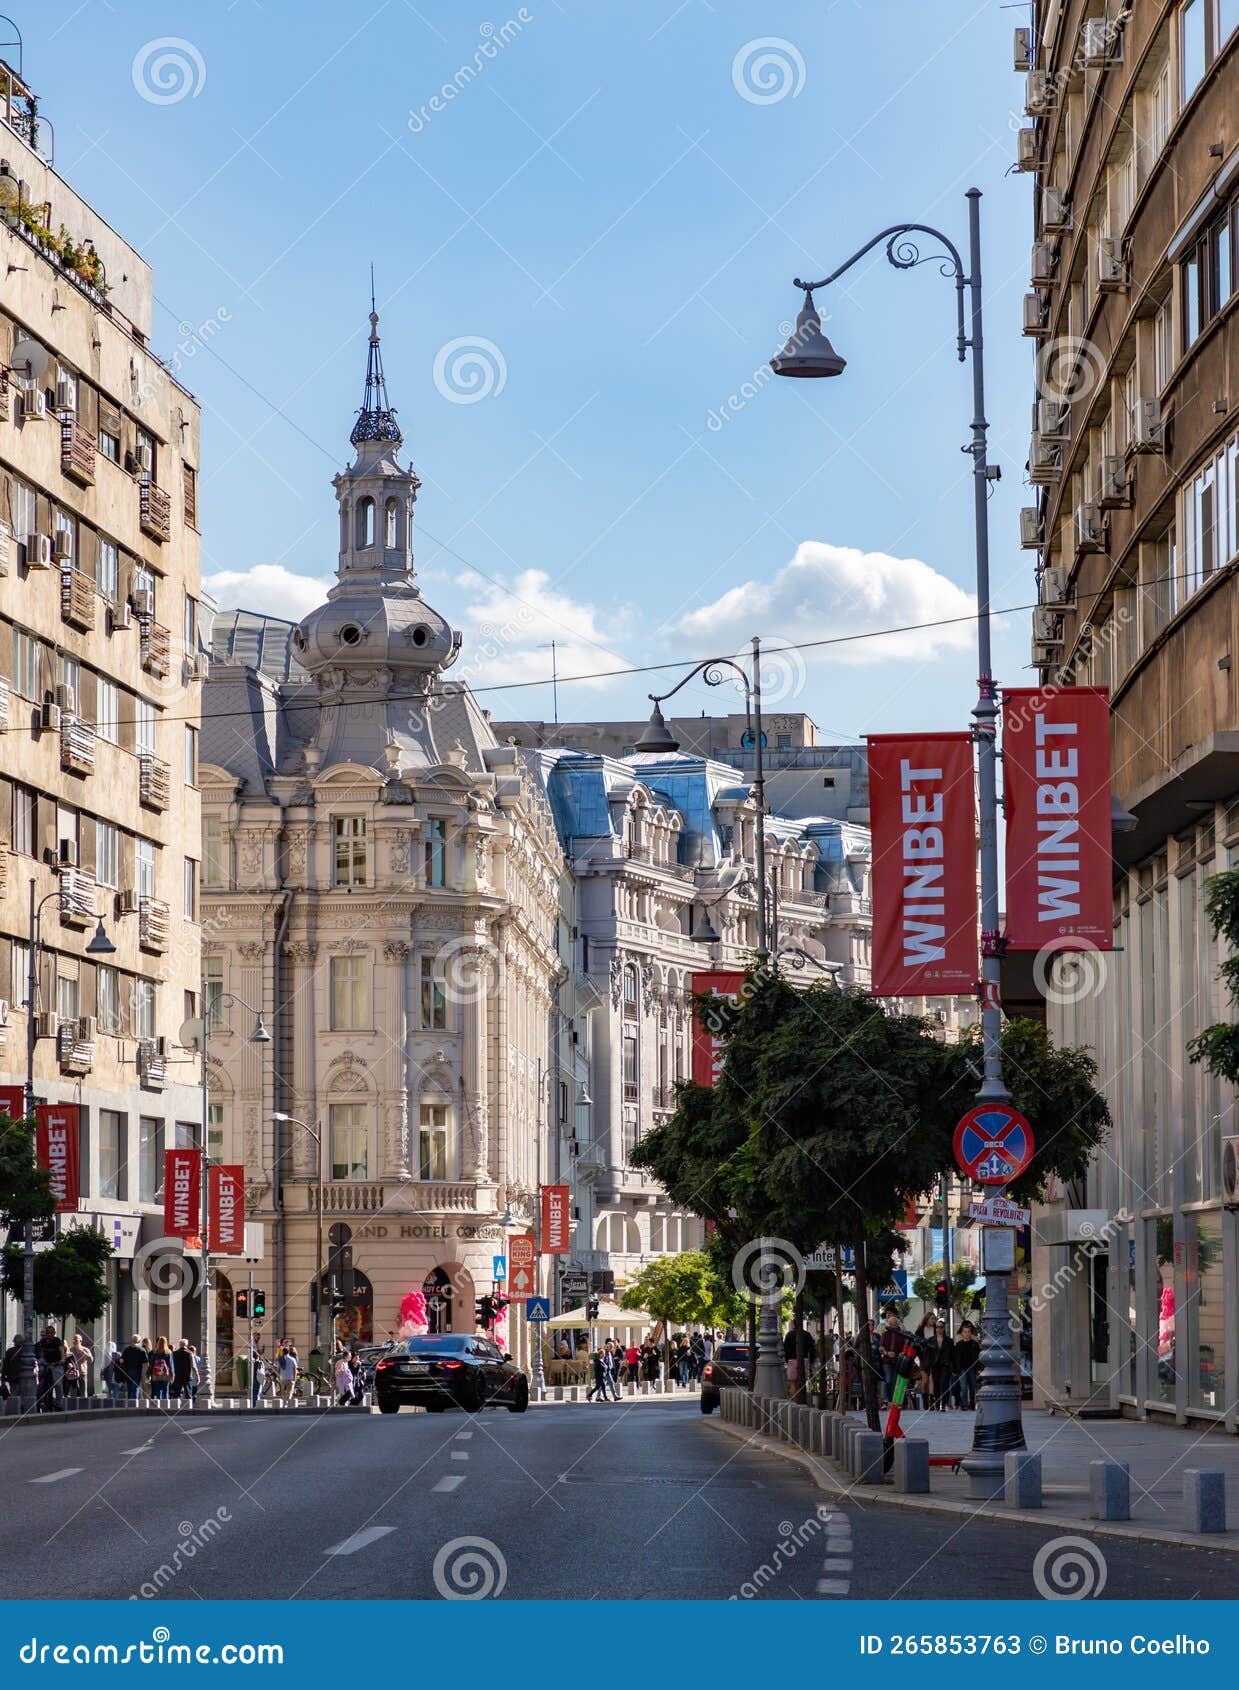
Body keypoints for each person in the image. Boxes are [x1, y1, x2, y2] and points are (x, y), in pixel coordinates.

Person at [879, 1309, 906, 1406]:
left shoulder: (902, 1334)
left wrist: (899, 1354)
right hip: (887, 1360)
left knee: (895, 1381)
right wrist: (887, 1353)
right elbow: (881, 1348)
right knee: (888, 1379)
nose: (891, 1326)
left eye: (892, 1324)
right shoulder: (885, 1334)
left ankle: (893, 1400)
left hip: (898, 1361)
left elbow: (904, 1348)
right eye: (889, 1324)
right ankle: (886, 1399)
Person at [783, 1324, 817, 1400]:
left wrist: (787, 1359)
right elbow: (812, 1349)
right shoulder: (807, 1334)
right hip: (804, 1360)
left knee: (792, 1383)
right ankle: (801, 1399)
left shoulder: (789, 1334)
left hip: (791, 1360)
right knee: (802, 1381)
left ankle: (794, 1400)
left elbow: (785, 1348)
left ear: (793, 1325)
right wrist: (811, 1361)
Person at [37, 1324, 66, 1412]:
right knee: (40, 1383)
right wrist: (41, 1360)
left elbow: (61, 1351)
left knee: (57, 1384)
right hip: (46, 1364)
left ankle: (59, 1404)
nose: (49, 1335)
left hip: (56, 1364)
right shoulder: (43, 1341)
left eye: (51, 1333)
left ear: (54, 1333)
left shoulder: (57, 1341)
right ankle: (39, 1402)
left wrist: (62, 1359)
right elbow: (42, 1352)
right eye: (48, 1333)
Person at [953, 1321, 980, 1409]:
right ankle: (964, 1404)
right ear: (962, 1333)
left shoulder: (974, 1344)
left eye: (968, 1332)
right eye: (965, 1332)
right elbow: (955, 1358)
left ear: (971, 1332)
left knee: (973, 1387)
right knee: (963, 1387)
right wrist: (955, 1369)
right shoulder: (959, 1344)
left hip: (972, 1368)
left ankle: (972, 1404)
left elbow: (978, 1357)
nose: (967, 1334)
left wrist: (979, 1368)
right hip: (962, 1369)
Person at [931, 1320, 955, 1410]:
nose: (938, 1329)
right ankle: (937, 1404)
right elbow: (928, 1354)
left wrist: (954, 1367)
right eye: (937, 1327)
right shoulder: (931, 1340)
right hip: (935, 1365)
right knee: (936, 1384)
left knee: (944, 1384)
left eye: (940, 1327)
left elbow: (953, 1354)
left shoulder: (949, 1341)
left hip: (946, 1365)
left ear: (944, 1328)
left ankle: (943, 1404)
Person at [116, 1334, 147, 1401]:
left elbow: (121, 1360)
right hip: (137, 1371)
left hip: (128, 1371)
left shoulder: (127, 1349)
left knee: (129, 1388)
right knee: (135, 1387)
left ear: (132, 1340)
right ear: (139, 1341)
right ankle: (134, 1403)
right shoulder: (142, 1350)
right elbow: (146, 1362)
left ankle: (130, 1402)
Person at [64, 1332, 93, 1398]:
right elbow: (66, 1360)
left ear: (80, 1341)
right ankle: (73, 1404)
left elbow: (91, 1360)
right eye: (73, 1340)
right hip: (73, 1373)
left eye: (76, 1340)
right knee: (73, 1391)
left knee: (83, 1391)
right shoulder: (70, 1350)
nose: (74, 1341)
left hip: (82, 1372)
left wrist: (83, 1352)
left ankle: (84, 1404)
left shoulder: (85, 1349)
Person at [148, 1337, 174, 1401]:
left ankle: (158, 1407)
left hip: (156, 1375)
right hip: (165, 1375)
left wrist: (148, 1374)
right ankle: (165, 1406)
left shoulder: (155, 1352)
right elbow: (171, 1365)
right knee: (165, 1392)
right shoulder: (169, 1352)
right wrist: (173, 1375)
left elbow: (151, 1364)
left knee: (158, 1392)